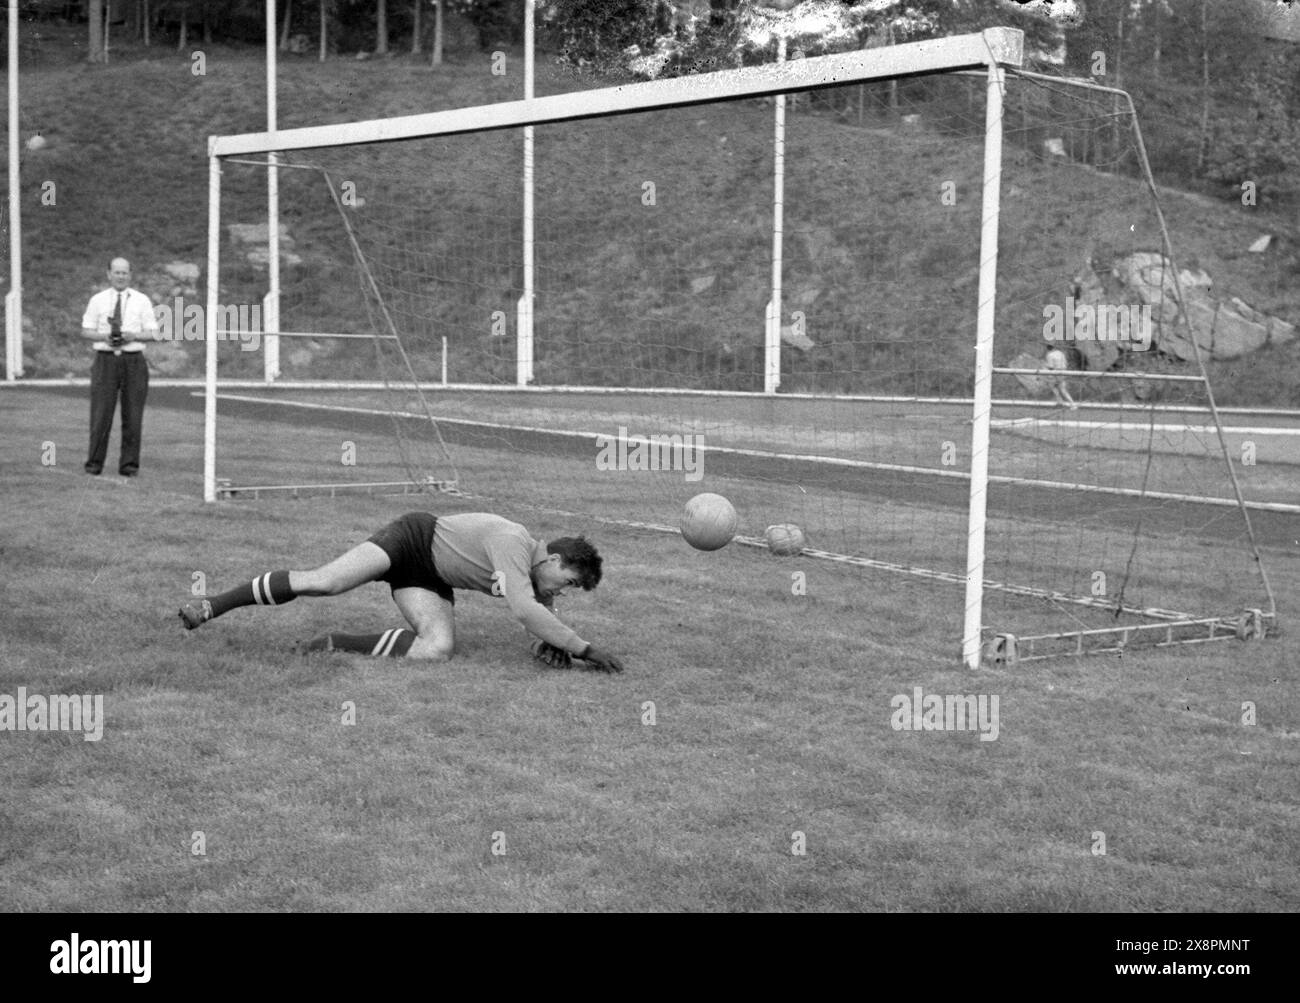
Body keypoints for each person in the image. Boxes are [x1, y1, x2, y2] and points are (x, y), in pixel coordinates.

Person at [178, 510, 626, 673]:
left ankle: (334, 643)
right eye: (567, 583)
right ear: (552, 560)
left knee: (438, 650)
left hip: (429, 579)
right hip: (411, 539)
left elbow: (538, 619)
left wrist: (550, 645)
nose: (561, 593)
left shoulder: (537, 580)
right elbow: (527, 611)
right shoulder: (514, 542)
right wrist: (585, 649)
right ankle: (211, 605)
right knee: (326, 582)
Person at [80, 258, 160, 476]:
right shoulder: (97, 300)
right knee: (101, 415)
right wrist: (104, 336)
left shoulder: (142, 301)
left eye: (124, 272)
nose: (120, 276)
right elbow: (86, 330)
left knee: (133, 416)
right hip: (105, 360)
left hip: (133, 360)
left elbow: (154, 333)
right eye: (116, 272)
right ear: (108, 274)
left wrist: (133, 335)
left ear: (130, 275)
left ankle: (129, 466)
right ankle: (94, 464)